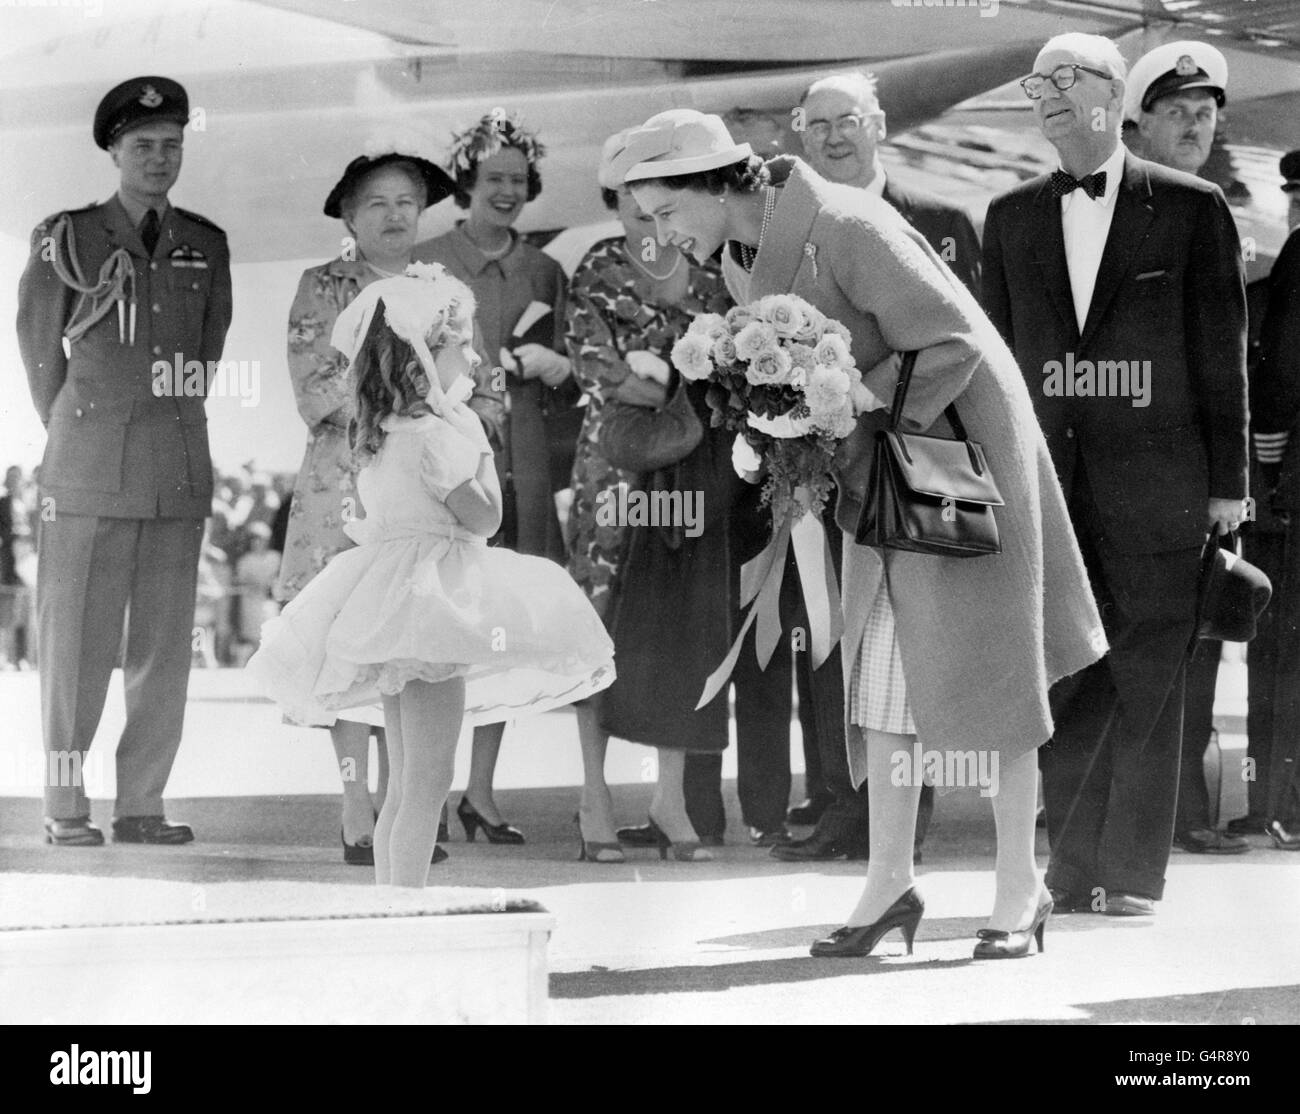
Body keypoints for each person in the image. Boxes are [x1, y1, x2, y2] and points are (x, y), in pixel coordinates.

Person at [616, 108, 1106, 957]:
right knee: (882, 676)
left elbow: (952, 340)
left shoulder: (848, 223)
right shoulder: (740, 262)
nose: (659, 237)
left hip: (960, 468)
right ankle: (889, 885)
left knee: (994, 676)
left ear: (713, 185)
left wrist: (841, 400)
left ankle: (1020, 889)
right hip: (882, 475)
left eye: (666, 213)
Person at [982, 33, 1250, 916]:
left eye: (1069, 79)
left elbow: (1221, 358)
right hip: (1051, 489)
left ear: (1112, 98)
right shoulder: (1011, 215)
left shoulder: (1192, 206)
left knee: (1151, 676)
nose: (1050, 95)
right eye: (1038, 84)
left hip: (1163, 488)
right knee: (1067, 673)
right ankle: (1068, 868)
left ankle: (1132, 873)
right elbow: (994, 360)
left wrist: (1228, 483)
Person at [246, 265, 614, 887]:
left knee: (404, 781)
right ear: (420, 359)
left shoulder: (382, 434)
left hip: (390, 601)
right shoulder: (441, 437)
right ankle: (406, 906)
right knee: (429, 780)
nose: (474, 355)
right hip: (436, 608)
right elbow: (487, 517)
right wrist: (481, 448)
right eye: (461, 343)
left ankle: (389, 902)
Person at [765, 69, 984, 861]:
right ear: (799, 135)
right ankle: (838, 797)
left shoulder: (945, 220)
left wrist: (873, 404)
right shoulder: (791, 229)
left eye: (847, 120)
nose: (832, 136)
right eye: (815, 124)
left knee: (911, 636)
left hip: (922, 457)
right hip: (823, 462)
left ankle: (899, 822)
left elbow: (971, 348)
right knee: (824, 628)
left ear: (880, 125)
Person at [16, 76, 232, 847]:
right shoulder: (66, 239)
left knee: (162, 653)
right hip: (85, 475)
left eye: (172, 146)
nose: (160, 159)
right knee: (75, 650)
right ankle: (66, 809)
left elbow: (205, 355)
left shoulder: (205, 244)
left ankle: (142, 805)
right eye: (144, 146)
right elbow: (43, 356)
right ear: (114, 150)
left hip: (174, 470)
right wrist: (80, 432)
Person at [279, 140, 466, 864]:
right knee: (347, 640)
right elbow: (316, 387)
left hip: (426, 486)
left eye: (407, 202)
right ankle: (357, 805)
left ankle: (408, 802)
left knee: (412, 642)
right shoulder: (323, 286)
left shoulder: (442, 287)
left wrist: (437, 433)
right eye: (377, 204)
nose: (394, 215)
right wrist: (405, 418)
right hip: (348, 482)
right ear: (349, 217)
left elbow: (466, 382)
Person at [563, 131, 733, 861]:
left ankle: (668, 798)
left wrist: (671, 385)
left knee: (675, 627)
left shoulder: (707, 263)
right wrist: (674, 384)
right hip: (615, 469)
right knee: (598, 622)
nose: (647, 213)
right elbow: (594, 365)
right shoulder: (598, 265)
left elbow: (729, 355)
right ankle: (593, 795)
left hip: (689, 470)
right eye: (633, 198)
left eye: (658, 196)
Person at [414, 111, 576, 845]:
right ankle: (427, 791)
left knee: (502, 628)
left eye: (518, 180)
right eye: (494, 180)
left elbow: (574, 377)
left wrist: (557, 372)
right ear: (467, 184)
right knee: (444, 630)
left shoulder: (547, 271)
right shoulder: (429, 261)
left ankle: (481, 792)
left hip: (527, 466)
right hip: (454, 466)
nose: (508, 192)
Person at [1120, 41, 1249, 855]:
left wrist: (1229, 482)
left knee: (1191, 645)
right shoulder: (1116, 209)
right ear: (1140, 123)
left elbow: (1224, 357)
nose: (1197, 126)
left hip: (1184, 474)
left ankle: (1185, 812)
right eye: (1179, 113)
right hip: (1109, 465)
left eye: (1206, 115)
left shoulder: (1209, 208)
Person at [1230, 150, 1300, 850]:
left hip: (1291, 492)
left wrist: (1270, 462)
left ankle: (1274, 803)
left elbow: (1278, 373)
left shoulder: (1298, 259)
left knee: (1280, 651)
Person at [1121, 41, 1226, 177]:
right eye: (1176, 113)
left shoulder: (1212, 198)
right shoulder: (1116, 196)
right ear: (1146, 125)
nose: (1194, 126)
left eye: (1204, 114)